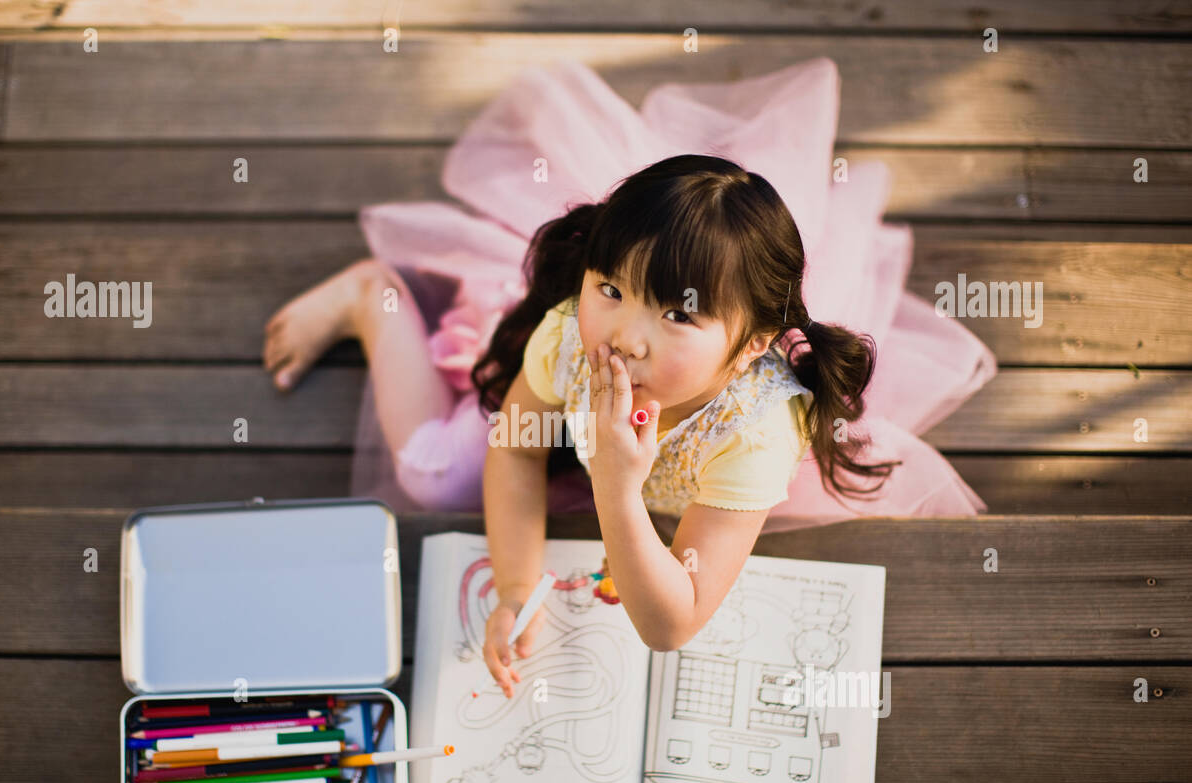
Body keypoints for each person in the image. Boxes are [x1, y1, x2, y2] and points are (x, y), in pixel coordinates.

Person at [261, 58, 996, 694]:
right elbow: (516, 449)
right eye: (610, 290)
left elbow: (673, 622)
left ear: (750, 348)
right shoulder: (572, 342)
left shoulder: (758, 431)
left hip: (627, 468)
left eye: (677, 316)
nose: (628, 340)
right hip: (593, 451)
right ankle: (374, 295)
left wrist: (614, 484)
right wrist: (516, 585)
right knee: (431, 477)